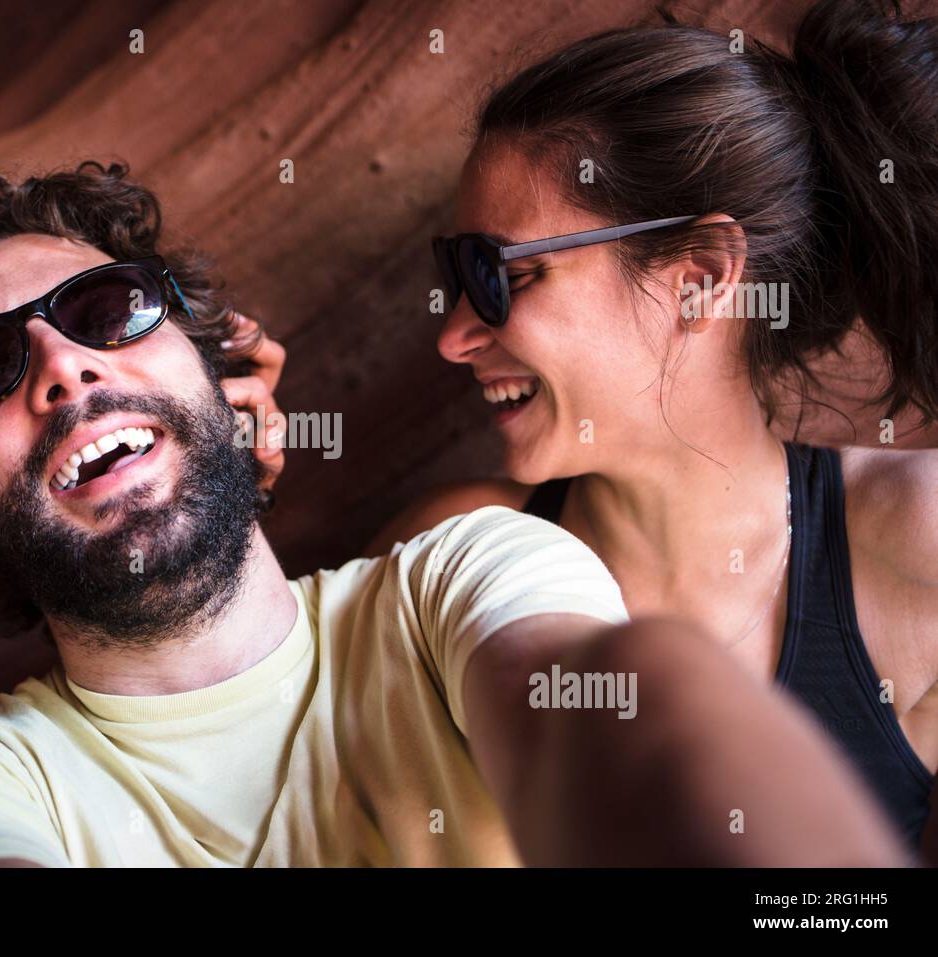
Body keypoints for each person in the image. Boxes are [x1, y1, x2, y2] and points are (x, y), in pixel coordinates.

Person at [0, 163, 903, 867]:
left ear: (238, 396)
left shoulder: (462, 579)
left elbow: (619, 721)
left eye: (106, 310)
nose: (63, 367)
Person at [322, 0, 937, 851]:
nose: (454, 334)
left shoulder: (915, 544)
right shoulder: (452, 553)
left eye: (502, 275)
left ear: (701, 278)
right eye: (454, 274)